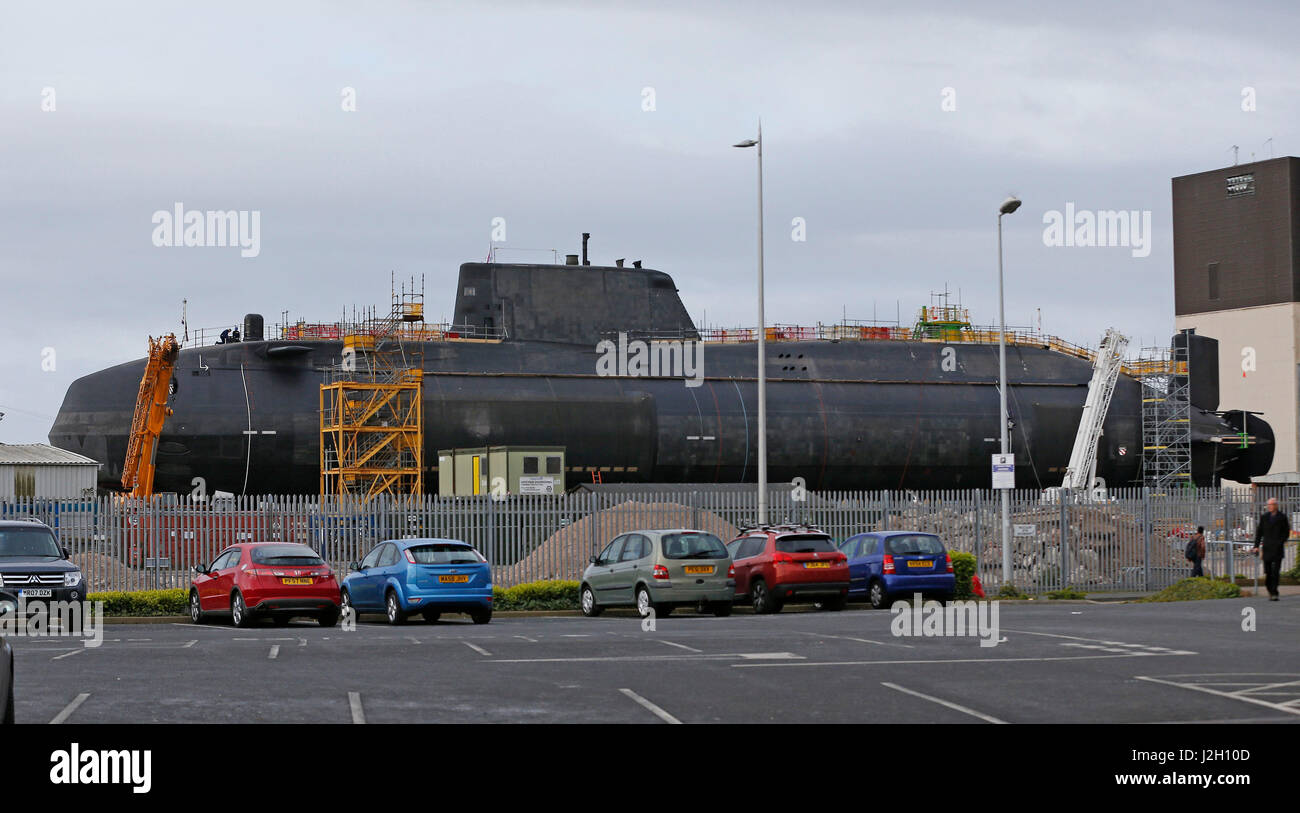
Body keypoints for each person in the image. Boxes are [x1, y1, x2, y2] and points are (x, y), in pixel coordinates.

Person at [1252, 497, 1290, 601]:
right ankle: (1269, 589)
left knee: (1276, 572)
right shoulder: (1264, 517)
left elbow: (1286, 532)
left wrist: (1280, 541)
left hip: (1277, 548)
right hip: (1267, 548)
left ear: (1276, 505)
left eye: (1271, 504)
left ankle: (1274, 592)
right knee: (1268, 571)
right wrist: (1256, 546)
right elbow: (1259, 533)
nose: (1269, 506)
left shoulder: (1282, 517)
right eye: (1268, 504)